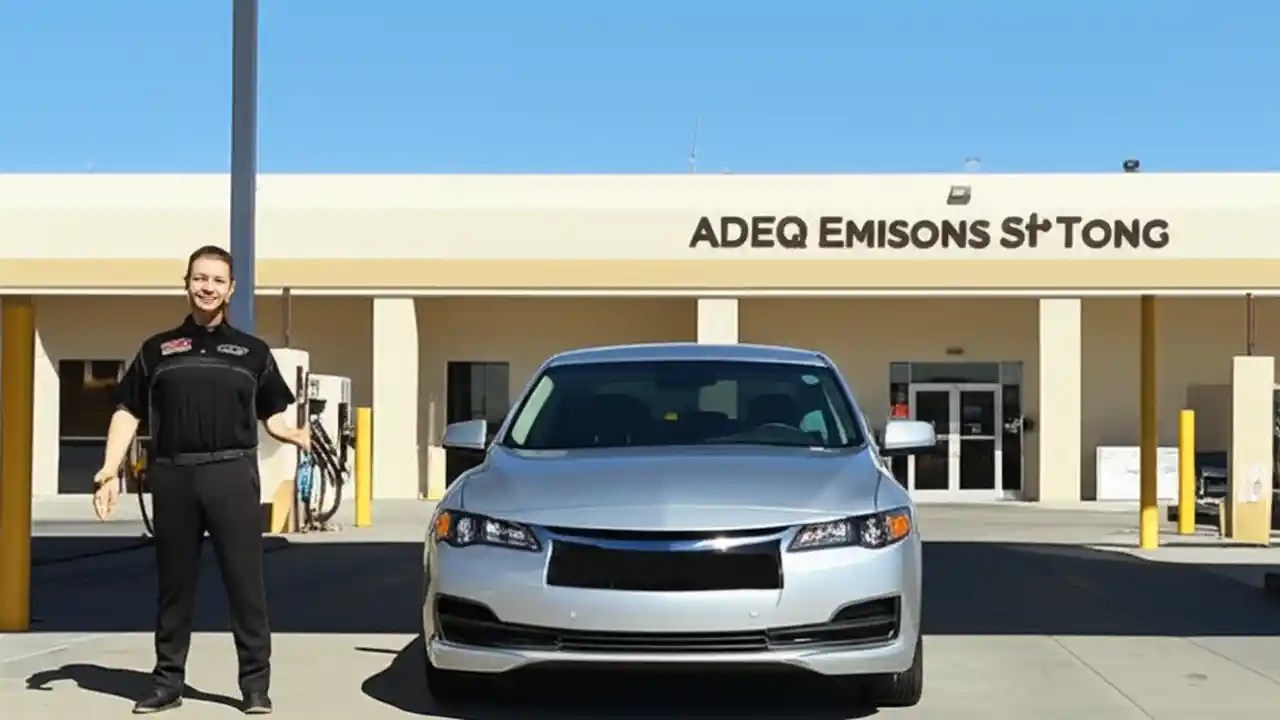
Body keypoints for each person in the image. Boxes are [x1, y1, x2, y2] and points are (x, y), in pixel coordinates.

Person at [91, 245, 310, 715]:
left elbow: (271, 412)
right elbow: (128, 410)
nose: (207, 287)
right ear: (186, 283)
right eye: (199, 278)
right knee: (174, 584)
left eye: (216, 280)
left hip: (231, 472)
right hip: (173, 474)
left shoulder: (252, 353)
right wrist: (109, 468)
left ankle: (255, 686)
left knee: (244, 583)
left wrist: (285, 430)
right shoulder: (157, 350)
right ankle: (167, 682)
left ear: (231, 288)